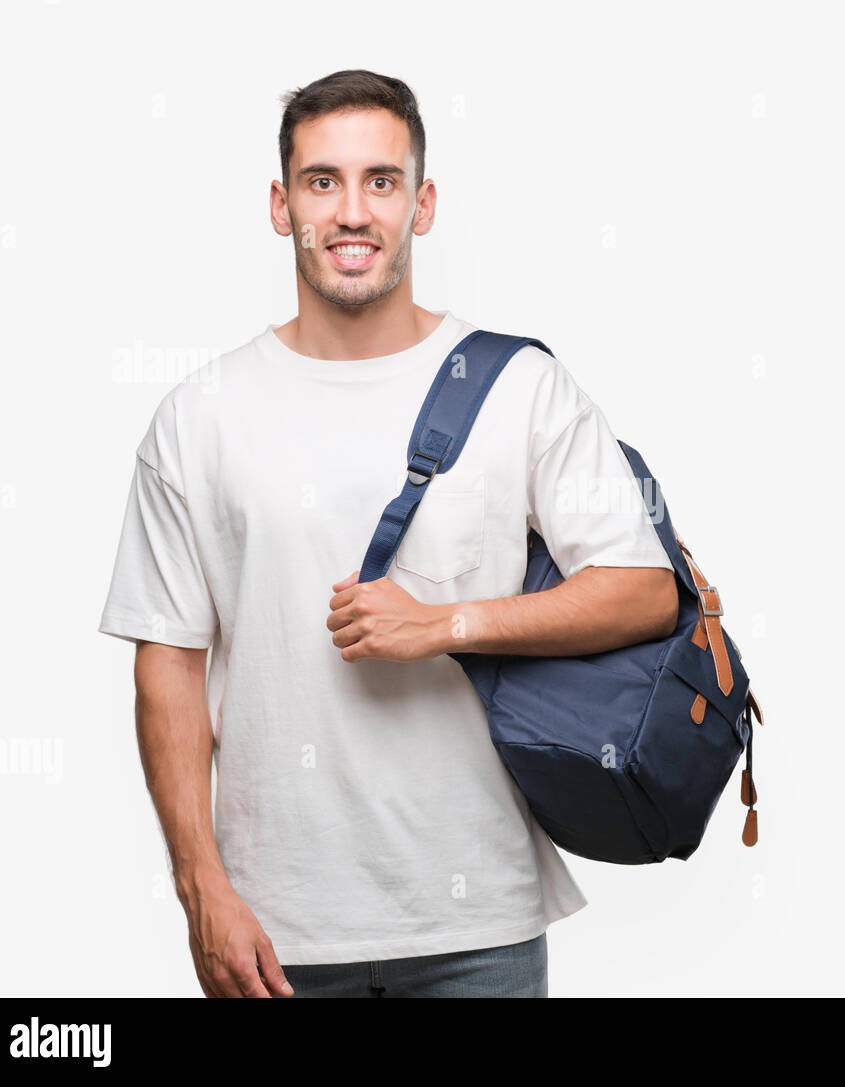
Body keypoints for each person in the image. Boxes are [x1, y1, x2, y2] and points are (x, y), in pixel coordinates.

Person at [97, 69, 678, 998]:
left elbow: (644, 589)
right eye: (323, 181)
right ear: (281, 206)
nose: (353, 211)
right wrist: (199, 884)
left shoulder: (521, 387)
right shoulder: (200, 415)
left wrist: (446, 625)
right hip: (273, 929)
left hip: (476, 922)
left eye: (382, 180)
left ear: (423, 203)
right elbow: (168, 656)